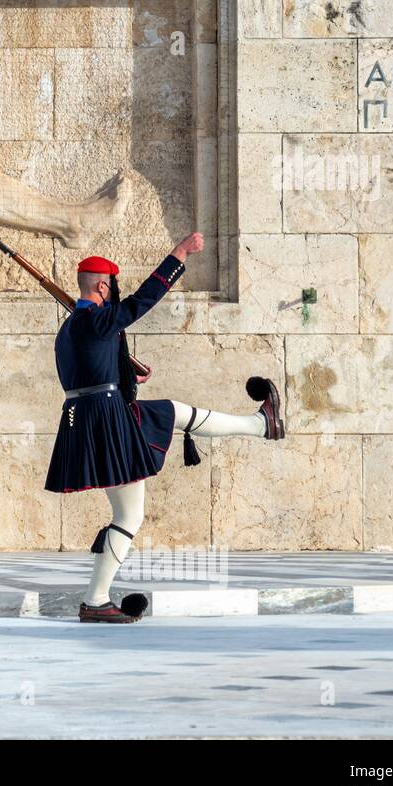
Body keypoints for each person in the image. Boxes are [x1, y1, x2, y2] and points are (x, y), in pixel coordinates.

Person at [46, 232, 284, 624]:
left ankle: (261, 424)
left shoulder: (70, 329)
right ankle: (95, 599)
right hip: (108, 421)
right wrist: (178, 255)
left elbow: (84, 374)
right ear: (104, 285)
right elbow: (142, 301)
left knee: (171, 412)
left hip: (94, 417)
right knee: (128, 517)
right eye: (112, 288)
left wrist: (124, 374)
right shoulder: (98, 318)